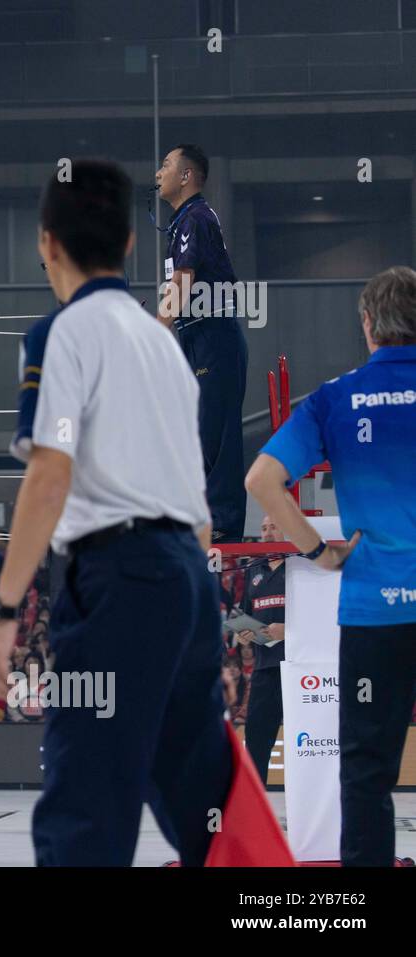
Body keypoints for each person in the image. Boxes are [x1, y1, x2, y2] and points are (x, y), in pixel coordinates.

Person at [0, 159, 234, 866]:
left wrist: (5, 614)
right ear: (130, 244)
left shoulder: (62, 332)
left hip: (121, 577)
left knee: (86, 789)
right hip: (189, 577)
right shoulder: (165, 343)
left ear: (46, 243)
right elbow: (204, 507)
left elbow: (49, 474)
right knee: (198, 795)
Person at [244, 265, 416, 867]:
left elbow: (262, 479)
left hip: (374, 614)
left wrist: (319, 552)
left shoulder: (334, 399)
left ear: (367, 325)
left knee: (367, 772)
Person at [154, 143, 246, 541]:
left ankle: (223, 523)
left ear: (187, 176)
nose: (158, 173)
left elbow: (183, 280)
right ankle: (202, 517)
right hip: (196, 334)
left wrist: (157, 330)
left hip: (214, 333)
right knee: (197, 430)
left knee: (216, 431)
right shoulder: (181, 223)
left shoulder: (196, 218)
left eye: (166, 165)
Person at [233, 515, 288, 785]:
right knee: (256, 742)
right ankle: (256, 809)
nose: (267, 532)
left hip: (298, 667)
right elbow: (245, 614)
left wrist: (287, 630)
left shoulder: (302, 565)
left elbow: (321, 618)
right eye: (263, 527)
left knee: (313, 739)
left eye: (273, 526)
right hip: (265, 668)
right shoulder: (254, 569)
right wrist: (244, 635)